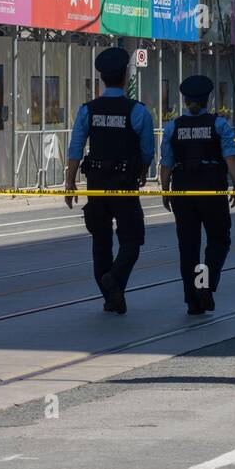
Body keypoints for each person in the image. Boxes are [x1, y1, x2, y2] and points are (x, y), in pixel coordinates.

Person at [64, 46, 156, 315]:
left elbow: (75, 148)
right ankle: (114, 281)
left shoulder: (87, 110)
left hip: (96, 184)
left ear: (102, 78)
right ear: (126, 75)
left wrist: (70, 183)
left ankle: (110, 295)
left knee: (100, 241)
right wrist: (141, 172)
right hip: (125, 184)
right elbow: (147, 150)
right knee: (132, 240)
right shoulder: (137, 111)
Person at [159, 75, 235, 316]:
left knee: (188, 246)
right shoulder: (219, 125)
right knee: (219, 239)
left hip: (182, 189)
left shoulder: (173, 126)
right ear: (208, 99)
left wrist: (165, 191)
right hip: (211, 188)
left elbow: (166, 163)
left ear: (184, 100)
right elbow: (231, 157)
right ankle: (204, 284)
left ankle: (192, 301)